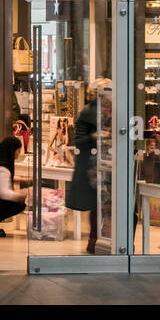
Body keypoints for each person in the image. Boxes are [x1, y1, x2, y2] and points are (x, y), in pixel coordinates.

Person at [66, 98, 99, 253]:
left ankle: (99, 240)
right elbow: (79, 141)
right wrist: (95, 137)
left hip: (107, 164)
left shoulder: (114, 111)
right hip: (93, 166)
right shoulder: (88, 113)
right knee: (97, 204)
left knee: (101, 205)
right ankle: (94, 240)